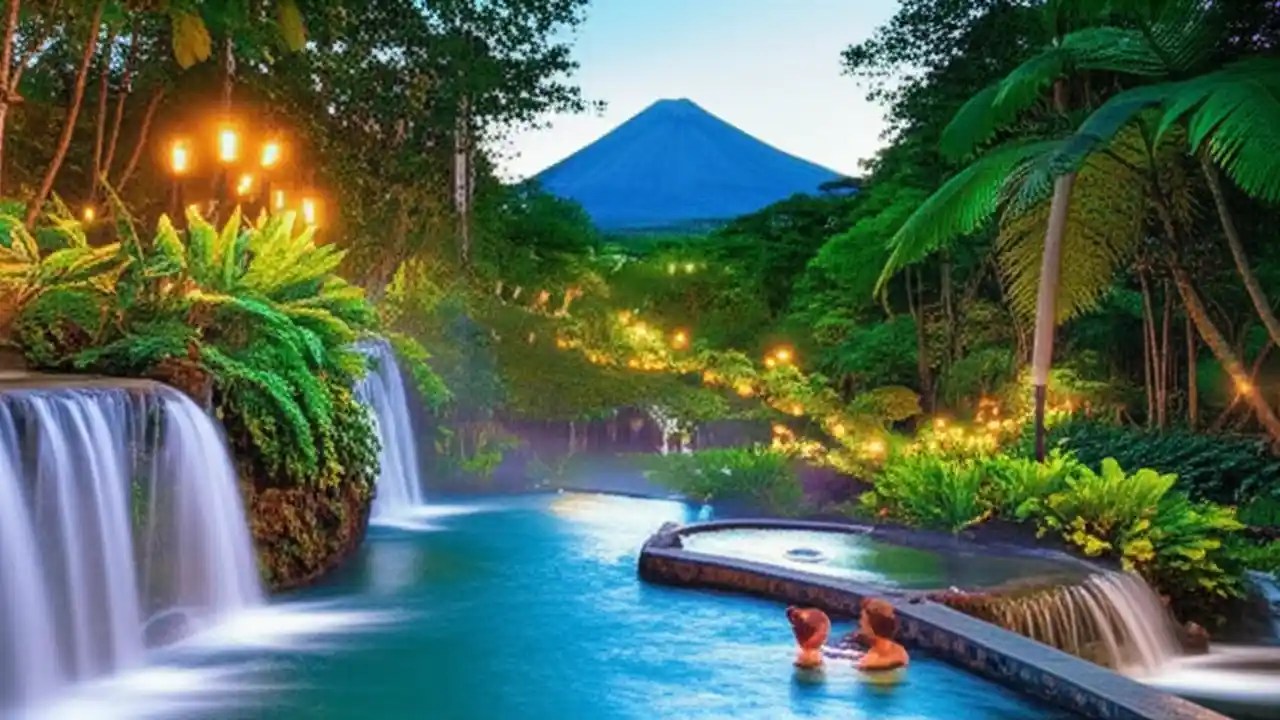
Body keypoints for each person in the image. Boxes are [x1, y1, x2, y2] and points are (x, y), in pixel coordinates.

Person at [852, 598, 909, 672]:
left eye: (863, 619)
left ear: (872, 626)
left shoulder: (869, 660)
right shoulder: (901, 652)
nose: (860, 622)